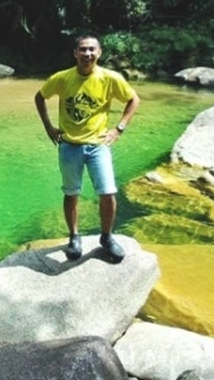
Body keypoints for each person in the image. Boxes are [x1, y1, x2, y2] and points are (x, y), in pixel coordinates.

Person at [34, 35, 140, 263]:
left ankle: (107, 237)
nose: (87, 54)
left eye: (92, 49)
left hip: (98, 146)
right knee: (71, 193)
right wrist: (49, 127)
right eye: (82, 49)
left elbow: (133, 100)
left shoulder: (110, 78)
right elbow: (40, 97)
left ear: (99, 53)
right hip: (69, 146)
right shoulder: (62, 78)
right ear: (75, 53)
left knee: (108, 193)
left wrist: (119, 128)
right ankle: (74, 237)